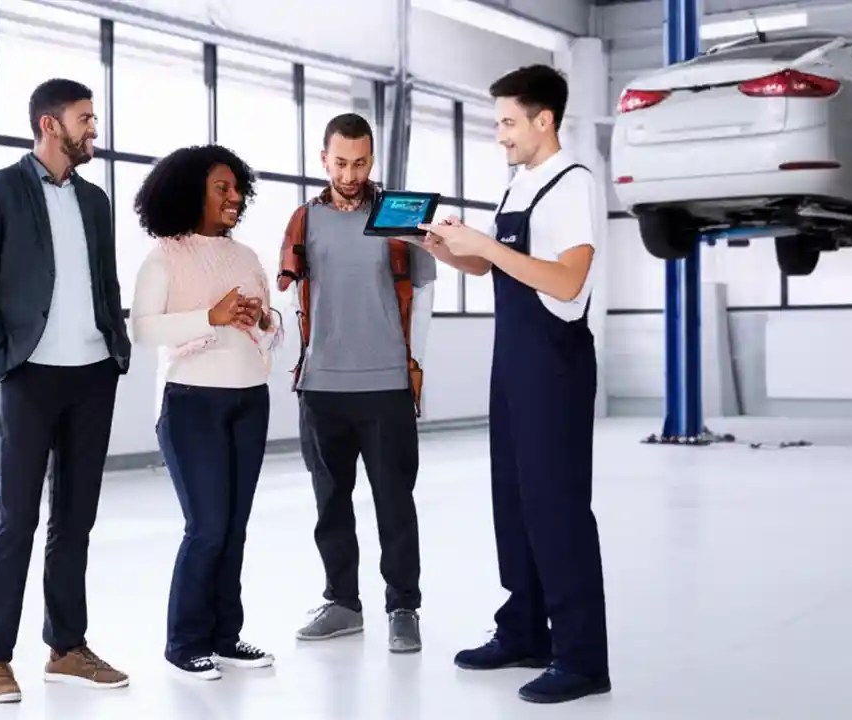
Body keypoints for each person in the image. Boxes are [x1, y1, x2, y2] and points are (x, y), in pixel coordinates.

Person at [418, 64, 611, 704]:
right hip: (515, 361)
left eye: (507, 121)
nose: (500, 134)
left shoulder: (571, 184)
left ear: (543, 120)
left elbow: (564, 281)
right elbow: (491, 269)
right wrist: (442, 245)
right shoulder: (520, 184)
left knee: (558, 508)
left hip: (555, 363)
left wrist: (486, 245)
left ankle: (582, 658)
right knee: (515, 502)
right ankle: (525, 628)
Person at [0, 78, 132, 704]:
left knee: (76, 519)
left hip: (92, 374)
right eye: (84, 119)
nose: (93, 129)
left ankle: (67, 648)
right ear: (48, 125)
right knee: (16, 519)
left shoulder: (95, 201)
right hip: (29, 375)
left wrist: (117, 345)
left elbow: (106, 282)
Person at [277, 113, 435, 653]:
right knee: (330, 502)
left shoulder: (397, 216)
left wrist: (416, 367)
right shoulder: (304, 220)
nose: (350, 172)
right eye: (340, 162)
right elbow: (289, 293)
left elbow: (425, 287)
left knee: (395, 502)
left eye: (360, 162)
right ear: (324, 159)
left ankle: (403, 607)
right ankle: (342, 602)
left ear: (372, 160)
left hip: (387, 385)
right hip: (320, 387)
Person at [129, 144, 281, 681]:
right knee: (208, 526)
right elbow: (143, 329)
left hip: (249, 399)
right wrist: (210, 315)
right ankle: (185, 642)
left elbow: (272, 327)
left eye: (238, 188)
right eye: (223, 188)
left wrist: (262, 317)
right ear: (192, 192)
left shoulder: (245, 257)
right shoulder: (164, 255)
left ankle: (224, 635)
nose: (234, 197)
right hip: (192, 404)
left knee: (234, 528)